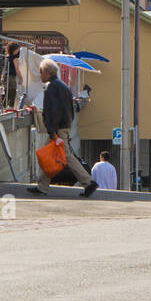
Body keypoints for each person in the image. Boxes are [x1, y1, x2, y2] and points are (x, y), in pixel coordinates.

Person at [29, 58, 97, 198]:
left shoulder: (50, 87)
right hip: (64, 125)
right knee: (48, 155)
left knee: (65, 156)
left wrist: (52, 131)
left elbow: (52, 111)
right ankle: (42, 186)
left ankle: (88, 182)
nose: (40, 75)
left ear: (46, 72)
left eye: (41, 72)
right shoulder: (63, 86)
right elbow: (68, 109)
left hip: (57, 128)